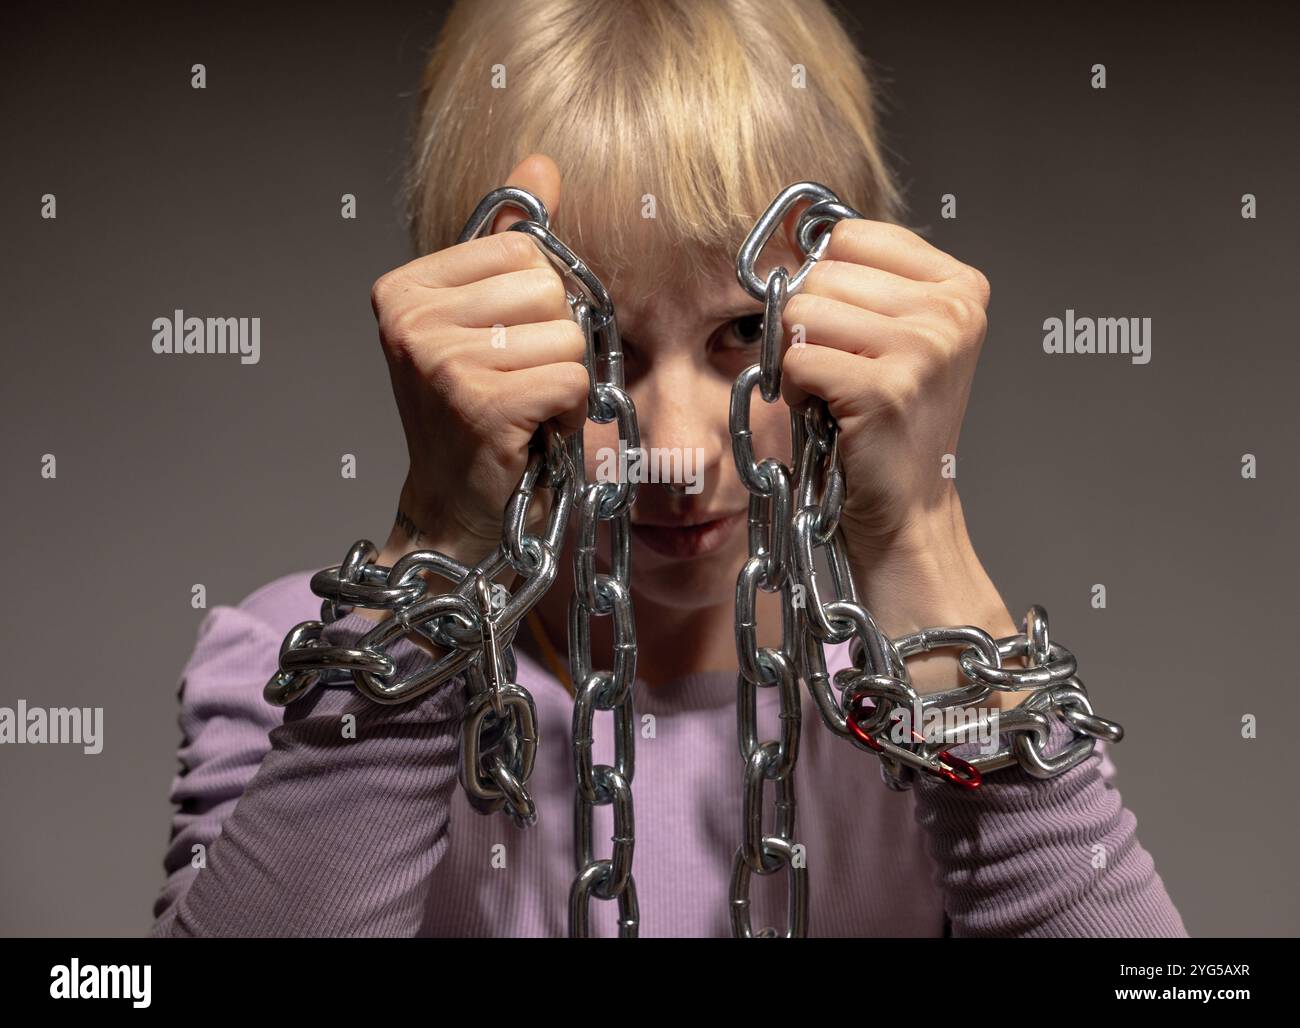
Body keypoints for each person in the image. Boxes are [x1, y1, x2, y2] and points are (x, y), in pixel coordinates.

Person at [150, 0, 1186, 937]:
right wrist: (437, 541)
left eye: (743, 330)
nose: (679, 449)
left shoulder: (936, 697)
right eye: (594, 341)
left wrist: (917, 532)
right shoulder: (315, 669)